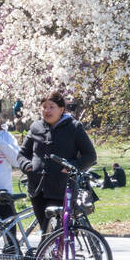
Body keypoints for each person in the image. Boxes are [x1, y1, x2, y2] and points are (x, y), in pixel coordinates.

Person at [17, 90, 97, 236]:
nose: (47, 111)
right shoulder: (36, 127)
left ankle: (48, 258)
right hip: (37, 188)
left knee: (53, 232)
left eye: (51, 107)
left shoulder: (74, 127)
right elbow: (22, 154)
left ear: (61, 109)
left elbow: (90, 156)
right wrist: (27, 166)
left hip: (62, 188)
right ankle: (49, 258)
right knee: (45, 230)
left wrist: (73, 167)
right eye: (44, 107)